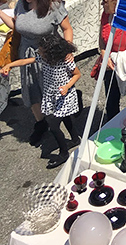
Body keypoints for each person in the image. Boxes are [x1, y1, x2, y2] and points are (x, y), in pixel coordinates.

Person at [0, 0, 73, 146]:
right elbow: (17, 25)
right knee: (32, 90)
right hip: (27, 54)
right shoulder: (21, 4)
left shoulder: (53, 6)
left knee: (52, 90)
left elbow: (67, 29)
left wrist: (67, 48)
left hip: (48, 55)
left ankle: (62, 124)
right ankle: (41, 124)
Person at [1, 32, 80, 168]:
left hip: (63, 96)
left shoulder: (65, 61)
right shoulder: (43, 58)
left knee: (53, 124)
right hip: (52, 95)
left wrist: (67, 86)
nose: (39, 51)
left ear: (51, 52)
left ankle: (63, 153)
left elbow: (77, 74)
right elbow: (25, 61)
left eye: (41, 50)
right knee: (65, 117)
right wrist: (10, 65)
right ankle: (74, 139)